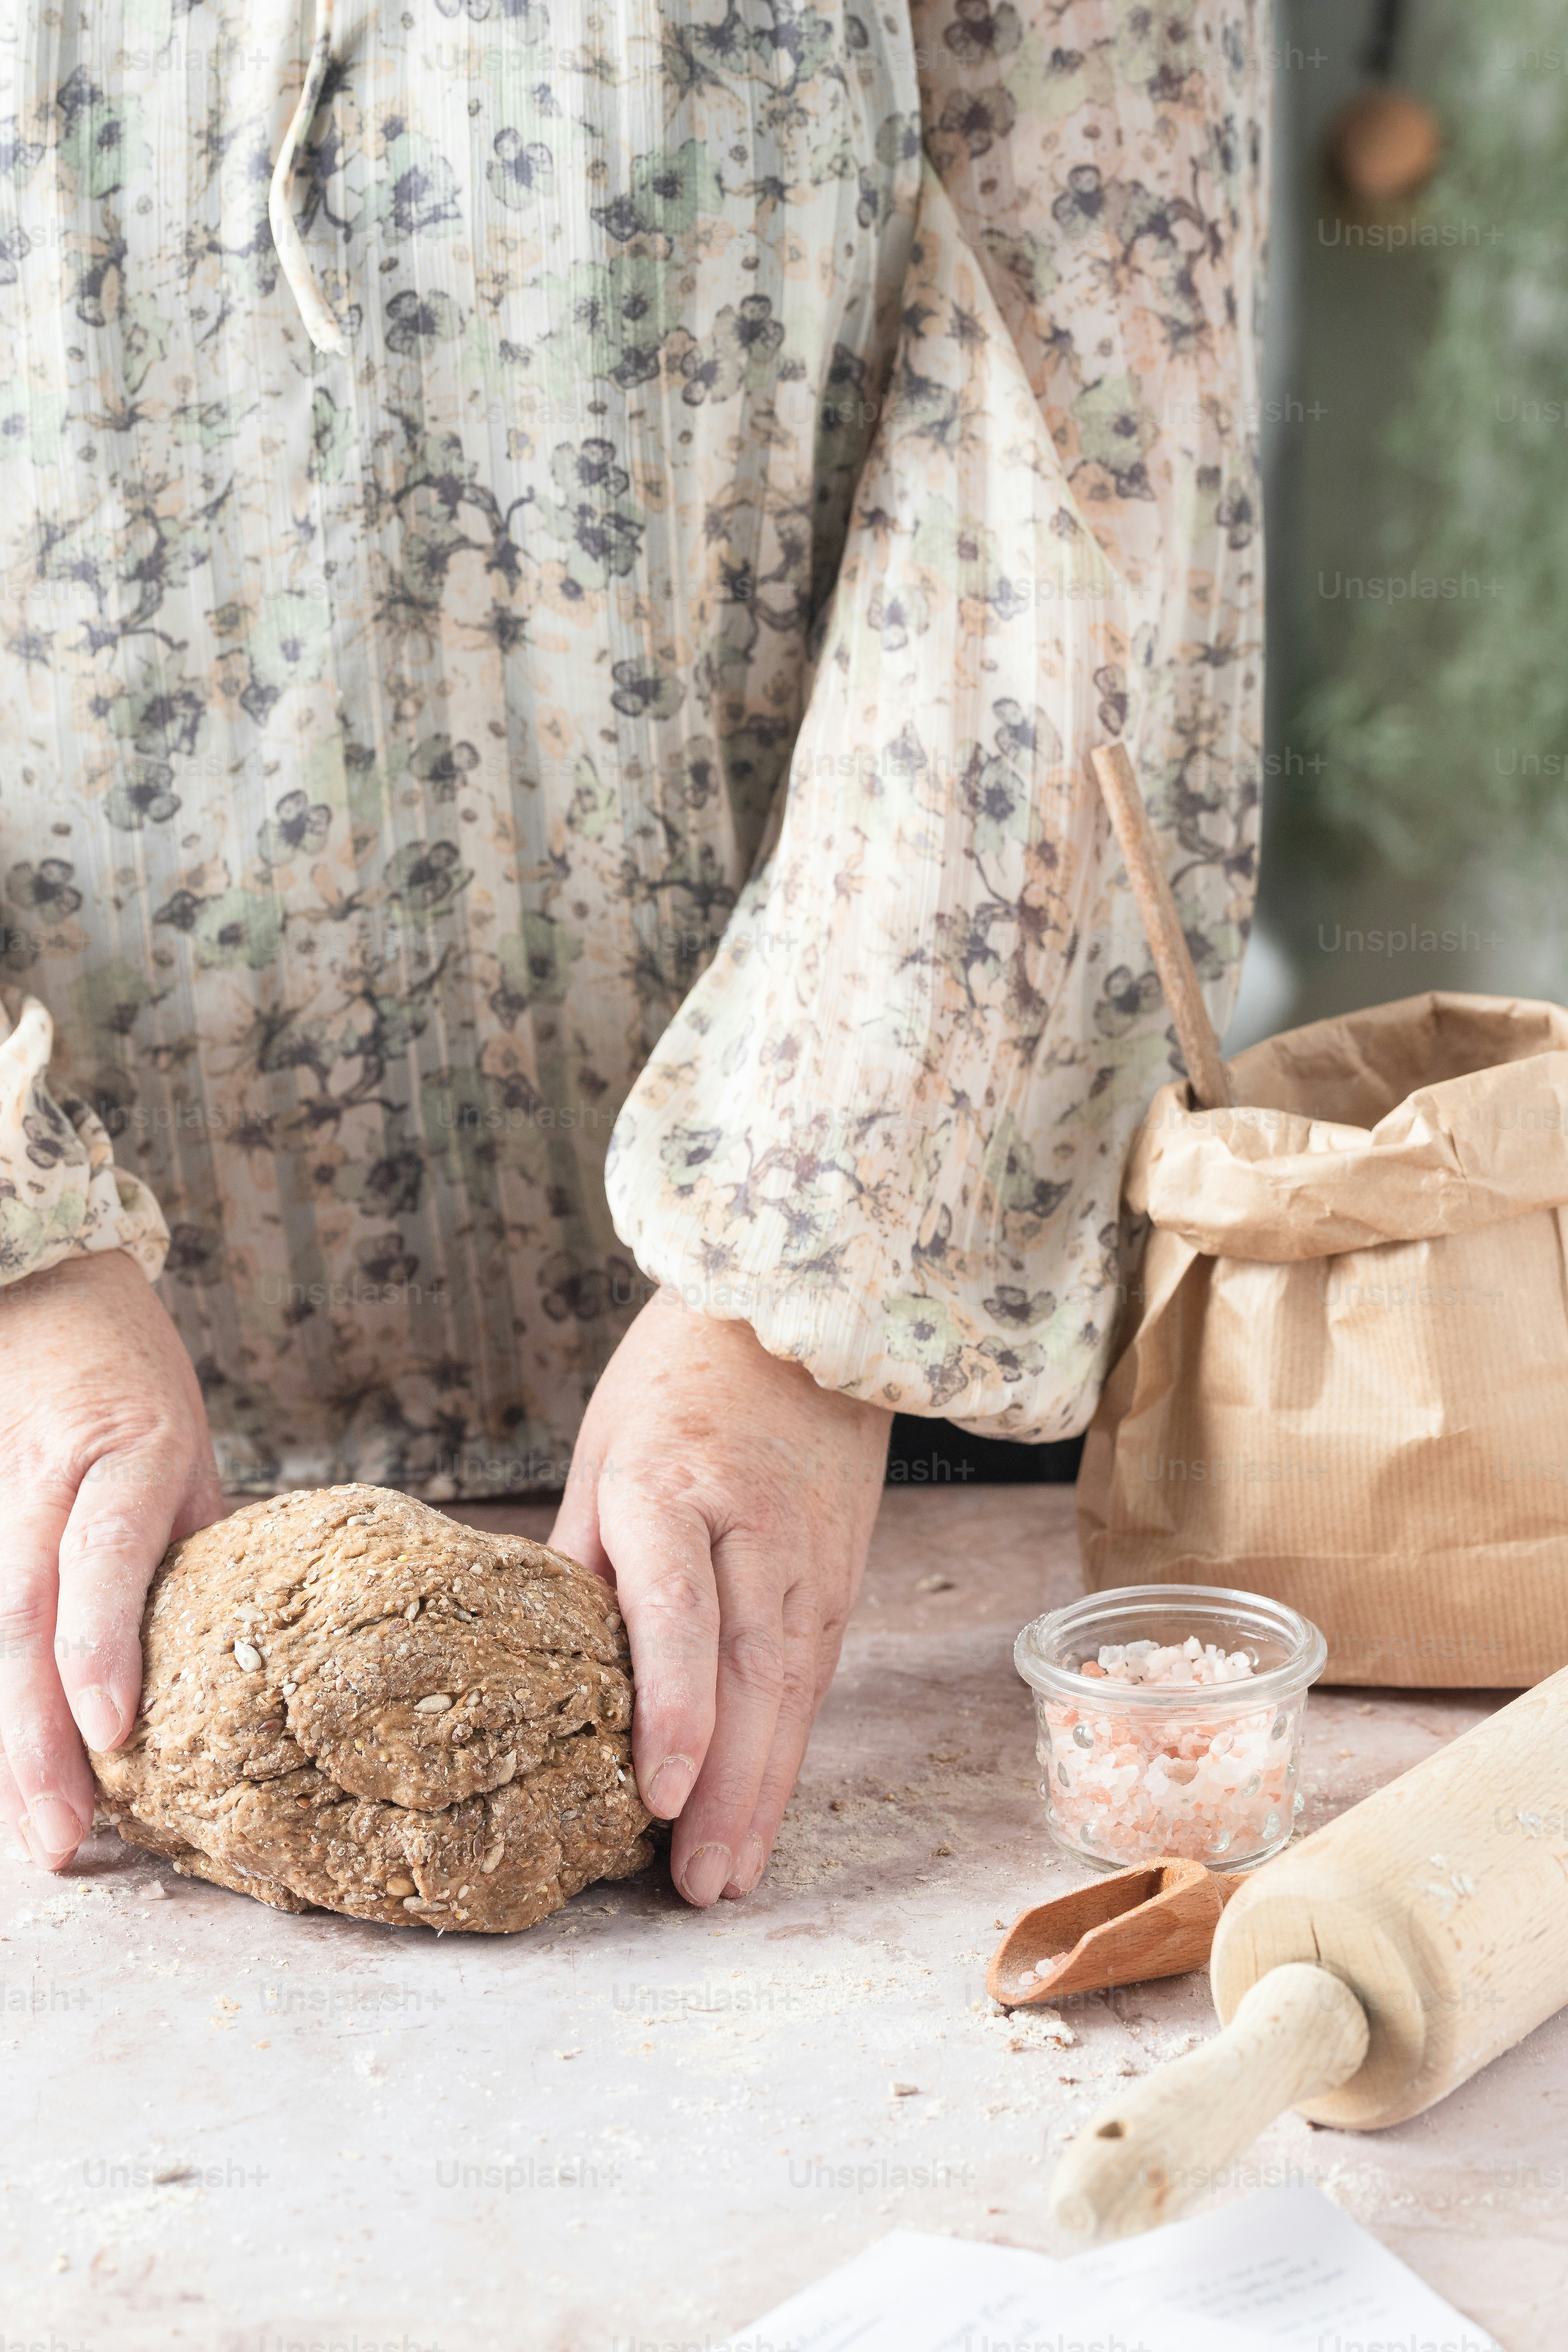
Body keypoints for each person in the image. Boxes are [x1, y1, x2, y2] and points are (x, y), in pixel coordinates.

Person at [0, 0, 1266, 1902]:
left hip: (864, 1433)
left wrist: (805, 1290)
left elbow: (1091, 441)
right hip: (57, 1459)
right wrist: (18, 1252)